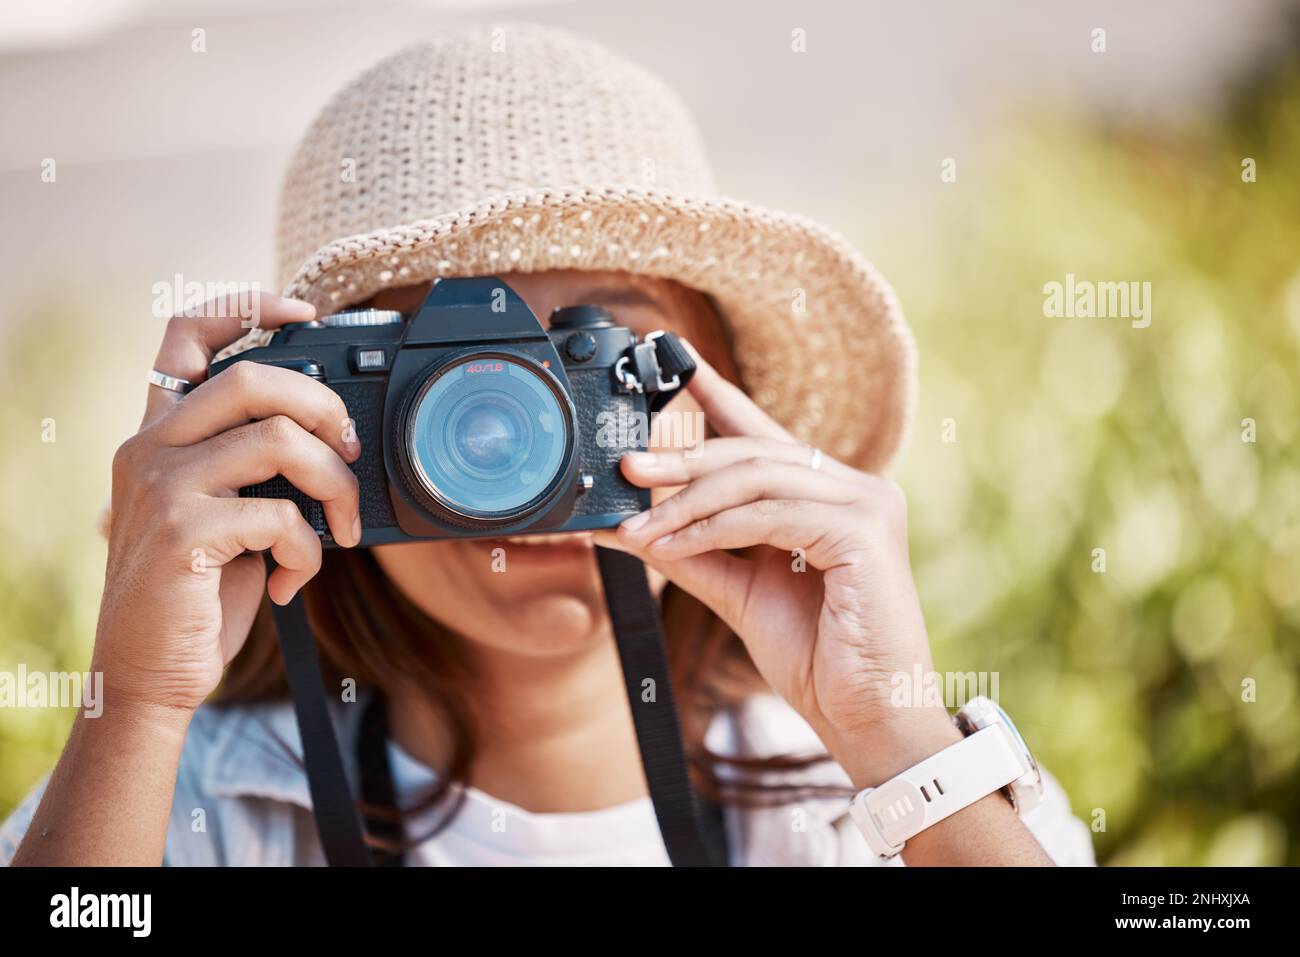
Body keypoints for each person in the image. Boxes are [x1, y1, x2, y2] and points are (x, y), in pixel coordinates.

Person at [1, 24, 1094, 866]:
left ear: (713, 395)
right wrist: (137, 707)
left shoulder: (872, 807)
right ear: (318, 421)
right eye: (447, 379)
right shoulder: (187, 805)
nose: (516, 442)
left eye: (592, 353)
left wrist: (892, 739)